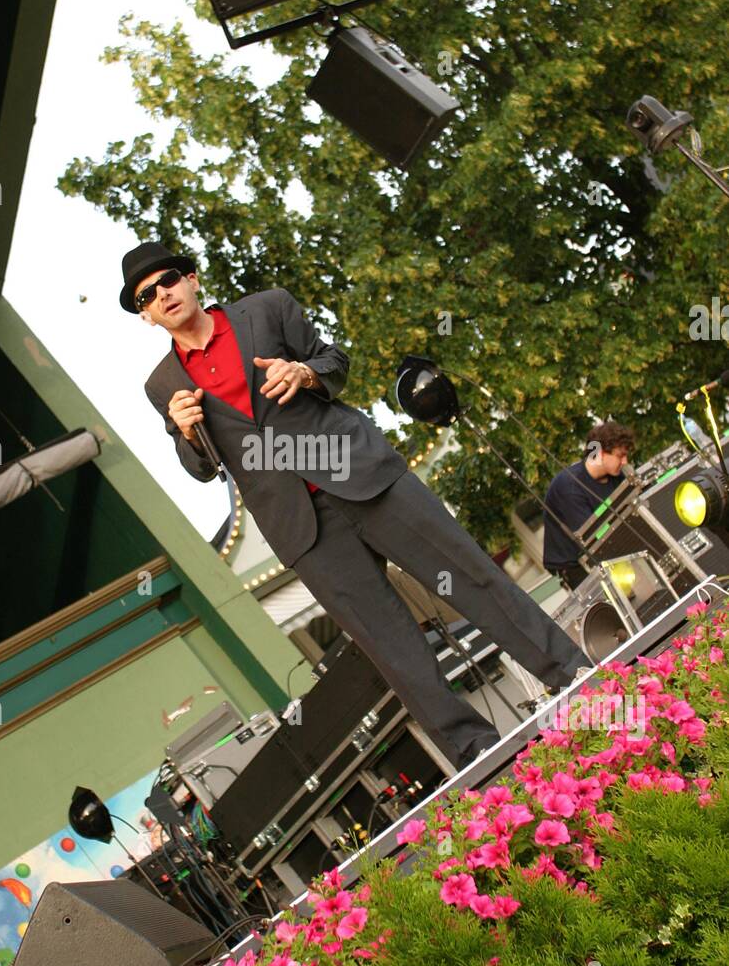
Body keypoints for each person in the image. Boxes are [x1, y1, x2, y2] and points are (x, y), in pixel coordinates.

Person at [125, 242, 588, 771]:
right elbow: (204, 467)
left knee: (470, 576)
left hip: (362, 475)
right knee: (391, 646)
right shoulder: (161, 385)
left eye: (167, 281)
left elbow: (335, 361)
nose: (161, 295)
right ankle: (478, 753)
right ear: (145, 315)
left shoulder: (268, 307)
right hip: (302, 527)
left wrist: (303, 374)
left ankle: (572, 673)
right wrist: (184, 433)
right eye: (147, 296)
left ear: (192, 280)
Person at [542, 422, 636, 590]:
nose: (625, 461)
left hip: (609, 551)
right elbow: (593, 539)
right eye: (620, 456)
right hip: (576, 567)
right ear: (600, 453)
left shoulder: (617, 477)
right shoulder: (569, 487)